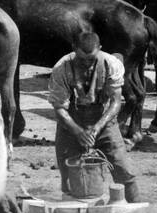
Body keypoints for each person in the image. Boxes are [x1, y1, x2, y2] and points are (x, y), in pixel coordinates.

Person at [48, 31, 140, 202]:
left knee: (124, 171)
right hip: (71, 123)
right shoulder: (61, 68)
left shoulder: (111, 64)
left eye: (91, 60)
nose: (87, 65)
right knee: (69, 176)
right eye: (82, 60)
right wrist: (77, 132)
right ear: (74, 49)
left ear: (100, 49)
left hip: (104, 121)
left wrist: (97, 127)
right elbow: (59, 108)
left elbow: (115, 102)